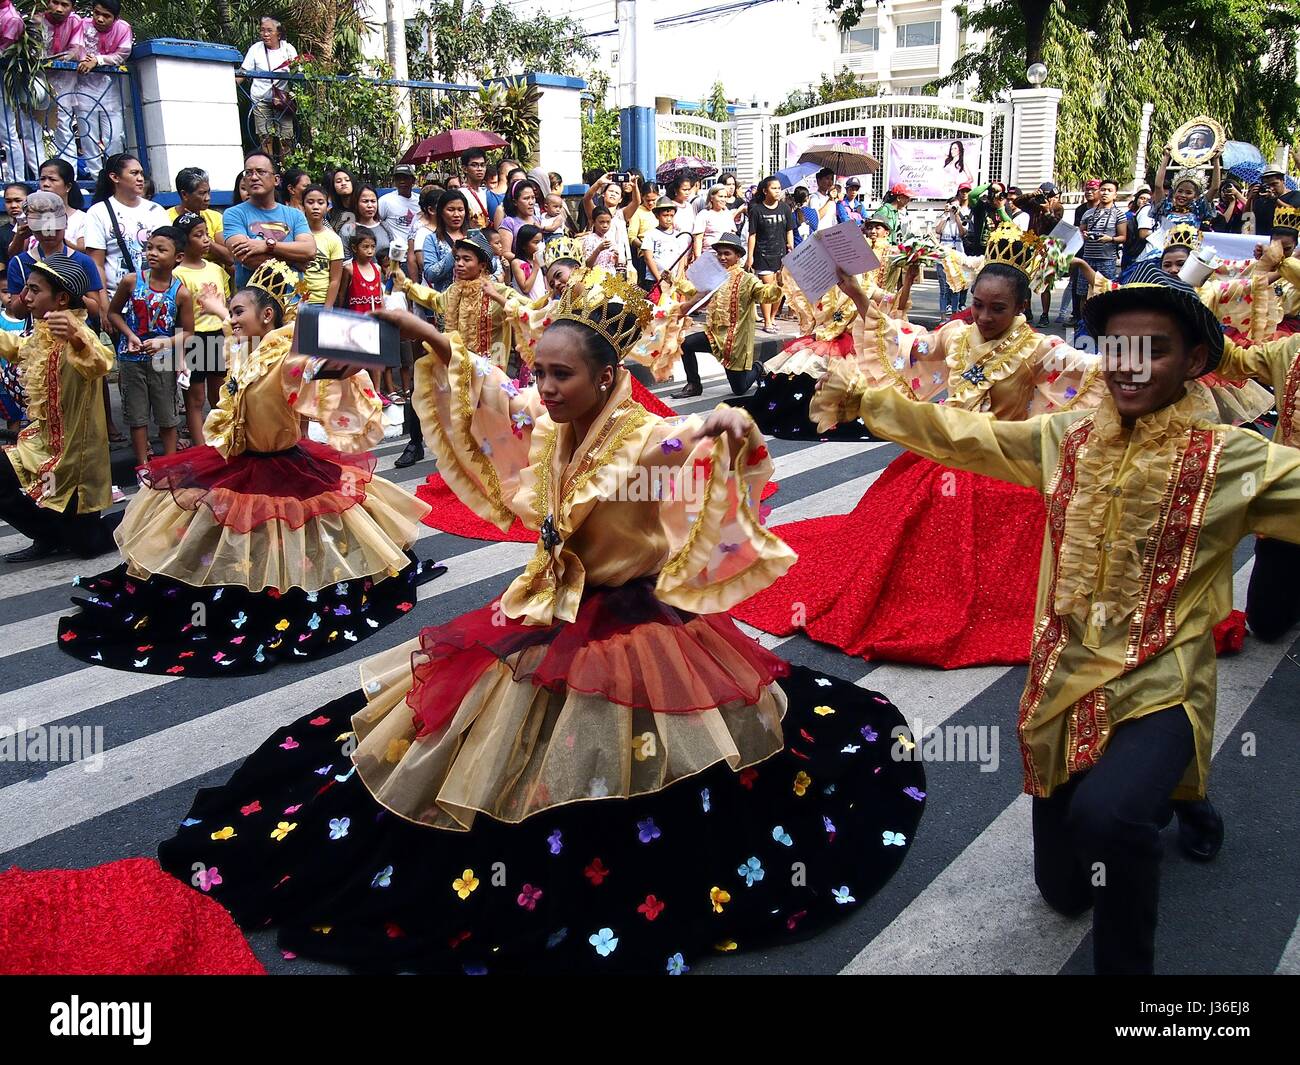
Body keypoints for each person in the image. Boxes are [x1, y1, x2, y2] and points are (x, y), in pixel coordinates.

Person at [152, 266, 924, 976]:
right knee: (481, 742)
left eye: (562, 374)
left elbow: (694, 471)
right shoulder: (551, 425)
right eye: (542, 371)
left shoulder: (650, 439)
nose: (545, 387)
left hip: (631, 621)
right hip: (547, 606)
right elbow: (489, 391)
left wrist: (722, 433)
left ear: (607, 376)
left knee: (636, 761)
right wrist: (419, 333)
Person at [830, 265, 1300, 973]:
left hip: (1158, 684)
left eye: (1154, 349)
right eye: (1117, 348)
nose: (1130, 366)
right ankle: (1166, 805)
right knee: (1064, 889)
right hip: (1060, 688)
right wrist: (869, 399)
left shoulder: (1232, 459)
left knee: (1109, 817)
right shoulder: (1067, 438)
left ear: (1196, 362)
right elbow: (967, 436)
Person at [732, 225, 1106, 668]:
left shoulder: (1042, 348)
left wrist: (1158, 355)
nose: (985, 316)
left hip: (1002, 460)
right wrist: (855, 293)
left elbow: (1095, 371)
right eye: (978, 305)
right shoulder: (957, 335)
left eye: (998, 309)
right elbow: (903, 344)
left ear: (1022, 307)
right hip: (943, 451)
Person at [59, 259, 439, 673]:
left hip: (281, 464)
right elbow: (225, 335)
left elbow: (323, 369)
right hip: (237, 463)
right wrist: (218, 312)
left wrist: (366, 344)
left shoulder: (287, 358)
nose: (232, 319)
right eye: (233, 312)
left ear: (268, 316)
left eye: (240, 312)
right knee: (227, 536)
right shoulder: (247, 350)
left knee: (278, 539)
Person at [0, 255, 117, 561]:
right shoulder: (43, 331)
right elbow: (19, 349)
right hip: (42, 446)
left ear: (61, 299)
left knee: (87, 546)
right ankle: (49, 536)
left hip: (75, 461)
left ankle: (142, 520)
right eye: (26, 289)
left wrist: (77, 336)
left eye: (34, 290)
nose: (26, 297)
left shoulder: (78, 332)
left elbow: (101, 361)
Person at [106, 225, 192, 468]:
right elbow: (113, 314)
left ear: (178, 258)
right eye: (149, 247)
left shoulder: (181, 293)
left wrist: (165, 342)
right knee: (137, 416)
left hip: (163, 359)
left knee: (167, 415)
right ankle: (143, 466)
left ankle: (171, 463)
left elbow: (188, 331)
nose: (152, 253)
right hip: (131, 358)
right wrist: (129, 335)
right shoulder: (131, 281)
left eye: (161, 249)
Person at [667, 232, 781, 399]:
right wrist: (673, 280)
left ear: (738, 256)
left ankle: (757, 368)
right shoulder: (713, 276)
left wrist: (778, 284)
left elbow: (765, 294)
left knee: (739, 389)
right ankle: (694, 384)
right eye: (719, 253)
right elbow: (695, 291)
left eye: (727, 253)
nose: (722, 257)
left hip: (734, 342)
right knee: (686, 344)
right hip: (713, 335)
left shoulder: (748, 279)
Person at [173, 211, 231, 444]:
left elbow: (225, 300)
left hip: (219, 336)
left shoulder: (216, 269)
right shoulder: (178, 274)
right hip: (194, 338)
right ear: (184, 242)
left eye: (207, 233)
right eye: (199, 235)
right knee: (195, 399)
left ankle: (223, 440)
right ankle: (199, 448)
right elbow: (178, 317)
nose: (206, 239)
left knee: (220, 395)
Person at [5, 190, 103, 323]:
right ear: (30, 227)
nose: (49, 233)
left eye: (55, 228)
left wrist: (70, 290)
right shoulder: (19, 263)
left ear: (65, 223)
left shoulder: (83, 261)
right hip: (37, 336)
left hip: (76, 335)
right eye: (41, 229)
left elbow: (95, 309)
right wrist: (30, 287)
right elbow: (18, 313)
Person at [221, 151, 314, 288]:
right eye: (248, 173)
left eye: (260, 172)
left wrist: (267, 245)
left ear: (276, 180)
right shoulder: (234, 214)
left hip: (291, 304)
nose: (254, 177)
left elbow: (309, 250)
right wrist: (295, 260)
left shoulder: (295, 215)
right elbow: (248, 259)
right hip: (252, 304)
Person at [83, 152, 170, 292]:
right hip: (117, 297)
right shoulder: (98, 212)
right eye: (134, 173)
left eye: (141, 174)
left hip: (155, 295)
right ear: (115, 177)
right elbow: (96, 264)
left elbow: (169, 253)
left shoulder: (156, 210)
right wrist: (104, 305)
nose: (140, 178)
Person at [73, 1, 132, 180]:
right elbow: (75, 48)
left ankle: (114, 176)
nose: (99, 19)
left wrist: (98, 60)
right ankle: (97, 179)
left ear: (116, 18)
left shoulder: (123, 28)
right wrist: (84, 59)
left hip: (110, 90)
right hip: (84, 87)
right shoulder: (83, 25)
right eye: (96, 13)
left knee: (114, 137)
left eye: (106, 16)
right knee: (88, 136)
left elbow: (122, 54)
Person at [239, 16, 298, 160]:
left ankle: (285, 172)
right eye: (262, 30)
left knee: (286, 138)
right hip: (260, 99)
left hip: (282, 100)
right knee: (265, 138)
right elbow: (243, 72)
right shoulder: (255, 49)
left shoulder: (288, 49)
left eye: (269, 31)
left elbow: (298, 72)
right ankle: (269, 170)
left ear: (278, 33)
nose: (265, 34)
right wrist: (226, 86)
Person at [37, 0, 85, 168]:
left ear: (72, 7)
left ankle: (69, 175)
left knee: (63, 123)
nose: (58, 9)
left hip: (64, 77)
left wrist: (62, 58)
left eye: (64, 4)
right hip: (39, 77)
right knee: (35, 124)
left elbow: (77, 49)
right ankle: (40, 173)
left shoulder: (75, 21)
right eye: (55, 2)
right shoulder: (37, 18)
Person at [1072, 179, 1127, 324]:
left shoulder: (1119, 214)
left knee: (1105, 292)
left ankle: (1104, 324)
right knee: (1083, 293)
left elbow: (1123, 237)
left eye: (1109, 190)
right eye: (1103, 190)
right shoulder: (1088, 213)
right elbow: (1080, 232)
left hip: (1107, 259)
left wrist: (1110, 239)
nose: (1105, 193)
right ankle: (1083, 323)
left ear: (1115, 195)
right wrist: (1083, 235)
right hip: (1087, 257)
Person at [745, 175, 794, 335]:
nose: (777, 191)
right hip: (762, 254)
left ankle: (772, 318)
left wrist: (790, 246)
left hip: (780, 255)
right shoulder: (757, 210)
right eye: (774, 188)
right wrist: (750, 256)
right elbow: (752, 234)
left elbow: (789, 230)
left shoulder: (785, 208)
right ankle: (766, 321)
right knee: (768, 289)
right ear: (765, 191)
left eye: (779, 188)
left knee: (779, 289)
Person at [166, 167, 233, 272]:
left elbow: (229, 258)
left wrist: (203, 237)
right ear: (184, 195)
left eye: (208, 192)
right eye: (202, 193)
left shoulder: (215, 217)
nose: (208, 198)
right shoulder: (166, 218)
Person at [299, 184, 342, 306]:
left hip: (321, 302)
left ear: (327, 206)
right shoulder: (294, 235)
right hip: (294, 300)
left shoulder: (334, 239)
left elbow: (335, 280)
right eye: (310, 202)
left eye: (321, 202)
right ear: (303, 206)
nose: (315, 207)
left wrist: (327, 308)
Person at [641, 196, 691, 292]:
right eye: (665, 215)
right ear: (657, 215)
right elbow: (648, 258)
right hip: (654, 281)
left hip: (673, 281)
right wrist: (659, 279)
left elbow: (681, 258)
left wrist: (678, 277)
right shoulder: (651, 234)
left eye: (671, 216)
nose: (668, 219)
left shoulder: (679, 235)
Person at [339, 185, 395, 266]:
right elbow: (345, 262)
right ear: (356, 203)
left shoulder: (384, 226)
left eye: (373, 201)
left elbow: (393, 252)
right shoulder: (348, 229)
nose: (370, 205)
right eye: (365, 201)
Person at [934, 195, 967, 319]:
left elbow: (963, 233)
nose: (953, 208)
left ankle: (954, 315)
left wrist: (957, 215)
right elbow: (938, 230)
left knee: (956, 288)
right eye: (952, 205)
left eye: (956, 206)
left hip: (957, 257)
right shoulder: (944, 219)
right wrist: (946, 214)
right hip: (943, 257)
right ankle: (943, 317)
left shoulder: (962, 219)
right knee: (944, 289)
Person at [498, 177, 545, 255]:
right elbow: (505, 253)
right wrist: (523, 263)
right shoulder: (509, 223)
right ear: (515, 202)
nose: (531, 202)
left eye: (533, 198)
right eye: (526, 198)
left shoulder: (536, 219)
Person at [378, 164, 419, 251]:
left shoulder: (420, 200)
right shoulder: (385, 201)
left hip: (418, 251)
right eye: (398, 178)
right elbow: (376, 223)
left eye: (405, 178)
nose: (402, 181)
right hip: (397, 254)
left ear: (413, 180)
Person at [692, 182, 738, 257]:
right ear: (712, 197)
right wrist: (698, 258)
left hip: (726, 258)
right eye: (720, 196)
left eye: (725, 197)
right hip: (709, 257)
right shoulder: (704, 214)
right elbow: (698, 238)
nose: (723, 199)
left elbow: (733, 235)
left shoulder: (727, 214)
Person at [457, 147, 492, 229]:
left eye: (482, 165)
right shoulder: (461, 193)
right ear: (464, 169)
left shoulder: (486, 192)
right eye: (474, 165)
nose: (480, 169)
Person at [325, 167, 357, 232]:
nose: (343, 183)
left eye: (347, 180)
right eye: (338, 181)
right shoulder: (330, 214)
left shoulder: (362, 209)